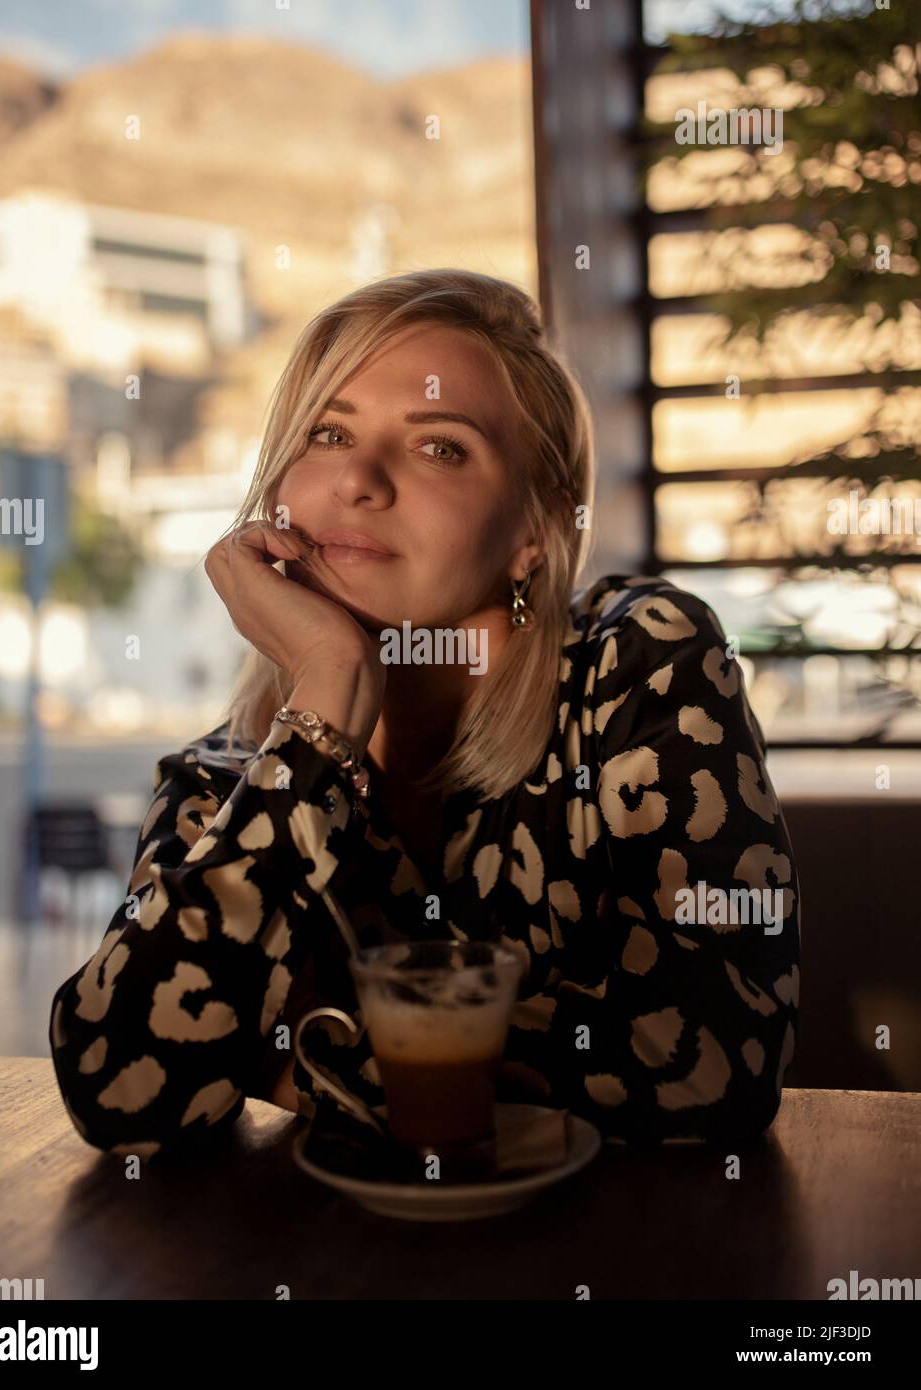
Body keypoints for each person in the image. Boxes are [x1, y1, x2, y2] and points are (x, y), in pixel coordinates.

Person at [48, 267, 800, 1161]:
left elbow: (720, 1060)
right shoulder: (231, 779)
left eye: (439, 446)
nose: (359, 479)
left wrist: (311, 1053)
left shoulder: (639, 663)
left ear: (536, 530)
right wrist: (326, 697)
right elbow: (122, 1092)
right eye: (327, 433)